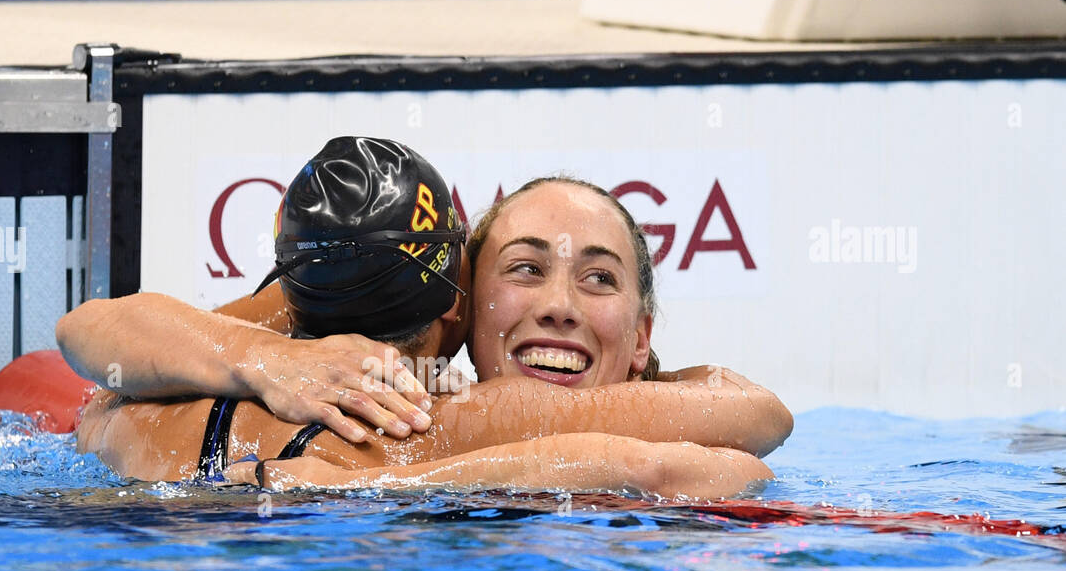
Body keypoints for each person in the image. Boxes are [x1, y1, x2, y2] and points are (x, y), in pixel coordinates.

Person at [60, 137, 791, 497]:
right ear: (462, 304)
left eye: (597, 278)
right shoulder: (448, 422)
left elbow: (88, 335)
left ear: (643, 336)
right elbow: (705, 462)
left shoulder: (131, 411)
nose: (558, 307)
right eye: (525, 269)